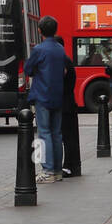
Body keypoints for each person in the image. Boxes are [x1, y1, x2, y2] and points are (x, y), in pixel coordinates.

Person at [24, 16, 66, 184]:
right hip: (58, 94)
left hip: (42, 94)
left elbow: (28, 69)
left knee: (43, 133)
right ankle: (57, 170)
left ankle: (47, 170)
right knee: (56, 133)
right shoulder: (60, 49)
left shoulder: (39, 50)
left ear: (39, 30)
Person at [57, 37, 81, 177]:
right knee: (68, 136)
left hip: (64, 104)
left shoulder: (63, 61)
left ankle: (68, 166)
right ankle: (72, 165)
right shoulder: (66, 59)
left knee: (67, 137)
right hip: (68, 102)